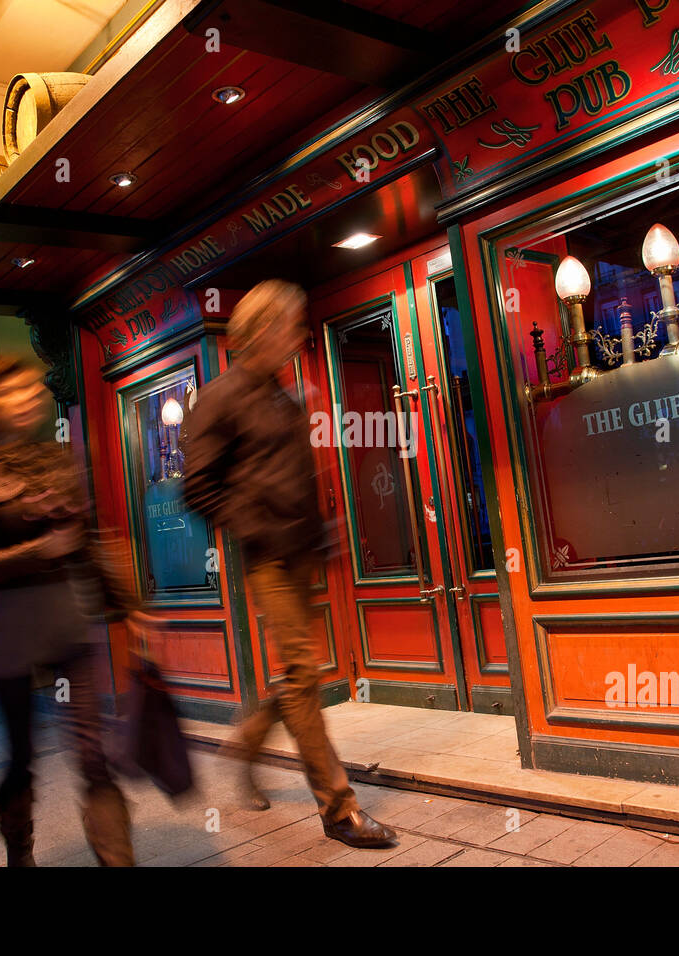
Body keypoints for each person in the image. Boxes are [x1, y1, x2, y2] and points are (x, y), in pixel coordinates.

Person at [183, 279, 396, 849]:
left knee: (299, 677)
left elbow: (293, 478)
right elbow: (197, 487)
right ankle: (338, 808)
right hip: (268, 559)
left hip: (301, 553)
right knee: (304, 674)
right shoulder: (220, 397)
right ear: (262, 329)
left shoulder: (284, 394)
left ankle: (247, 744)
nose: (300, 335)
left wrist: (323, 534)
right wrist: (257, 527)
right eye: (292, 324)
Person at [0, 356, 151, 867]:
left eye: (31, 388)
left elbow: (88, 540)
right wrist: (36, 553)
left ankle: (118, 860)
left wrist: (129, 606)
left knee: (92, 754)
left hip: (66, 620)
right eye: (11, 391)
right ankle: (20, 852)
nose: (27, 397)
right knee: (21, 757)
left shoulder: (61, 459)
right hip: (13, 626)